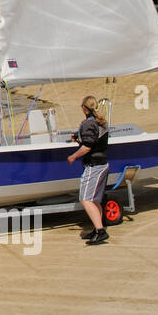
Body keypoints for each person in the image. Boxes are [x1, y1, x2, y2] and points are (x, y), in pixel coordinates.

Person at [68, 95, 111, 245]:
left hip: (94, 166)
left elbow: (88, 146)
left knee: (85, 199)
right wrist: (78, 139)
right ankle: (98, 227)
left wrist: (73, 156)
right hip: (103, 164)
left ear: (84, 108)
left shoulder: (88, 124)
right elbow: (92, 140)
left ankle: (100, 231)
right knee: (95, 200)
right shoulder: (102, 122)